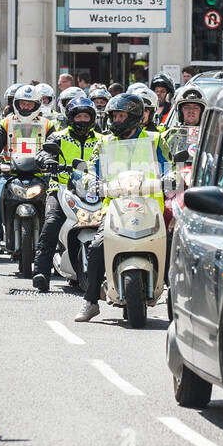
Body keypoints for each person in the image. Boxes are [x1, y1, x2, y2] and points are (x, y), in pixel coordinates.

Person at [75, 93, 171, 323]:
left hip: (150, 206)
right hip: (115, 208)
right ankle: (90, 302)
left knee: (173, 244)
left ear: (135, 117)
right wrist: (90, 182)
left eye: (120, 116)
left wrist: (173, 177)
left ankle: (175, 297)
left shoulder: (155, 140)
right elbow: (89, 170)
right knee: (97, 246)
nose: (115, 120)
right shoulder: (104, 143)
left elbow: (168, 165)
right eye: (113, 116)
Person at [0, 85, 56, 274]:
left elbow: (53, 143)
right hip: (10, 173)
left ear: (37, 105)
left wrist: (51, 158)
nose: (26, 107)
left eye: (30, 104)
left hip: (40, 174)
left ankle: (56, 259)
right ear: (16, 104)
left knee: (54, 211)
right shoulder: (6, 122)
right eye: (23, 104)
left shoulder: (48, 124)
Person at [32, 96, 101, 292]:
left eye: (86, 116)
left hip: (94, 190)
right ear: (71, 118)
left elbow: (114, 153)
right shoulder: (59, 136)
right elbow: (42, 153)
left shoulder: (101, 138)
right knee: (52, 222)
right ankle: (41, 272)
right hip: (62, 189)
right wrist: (46, 160)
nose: (82, 120)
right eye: (78, 116)